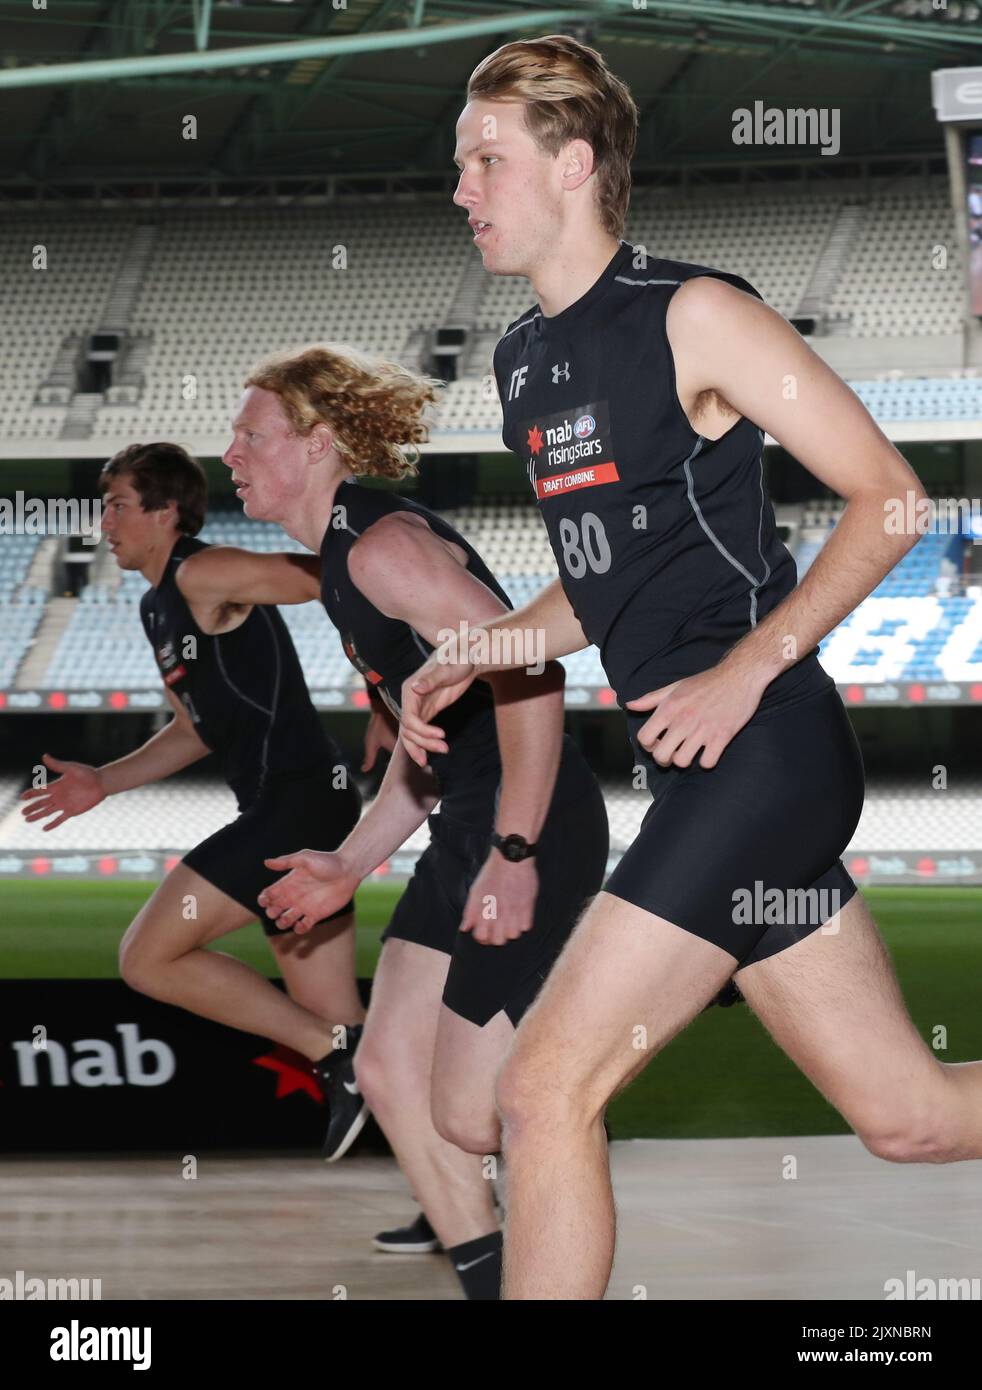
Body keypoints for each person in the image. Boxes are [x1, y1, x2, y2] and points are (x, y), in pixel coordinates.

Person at [399, 34, 982, 1300]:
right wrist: (476, 647)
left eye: (485, 160)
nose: (462, 191)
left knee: (542, 1085)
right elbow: (596, 590)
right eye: (460, 165)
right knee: (913, 1115)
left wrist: (747, 668)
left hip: (765, 754)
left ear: (573, 162)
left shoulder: (694, 312)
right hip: (700, 774)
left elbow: (890, 500)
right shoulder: (521, 366)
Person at [217, 343, 609, 1298]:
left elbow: (531, 672)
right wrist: (350, 864)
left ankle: (632, 1016)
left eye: (249, 435)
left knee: (484, 1111)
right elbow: (415, 753)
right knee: (390, 1070)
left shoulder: (381, 549)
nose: (228, 454)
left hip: (528, 821)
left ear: (315, 445)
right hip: (470, 822)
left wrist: (513, 849)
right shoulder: (343, 562)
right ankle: (492, 1280)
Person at [20, 442, 371, 1160]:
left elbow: (326, 576)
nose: (104, 521)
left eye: (118, 503)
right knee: (336, 1016)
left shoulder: (203, 572)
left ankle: (340, 1058)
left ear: (165, 509)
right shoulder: (161, 607)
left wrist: (384, 684)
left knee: (148, 959)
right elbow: (193, 732)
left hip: (298, 809)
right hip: (293, 812)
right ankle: (457, 1191)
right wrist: (103, 781)